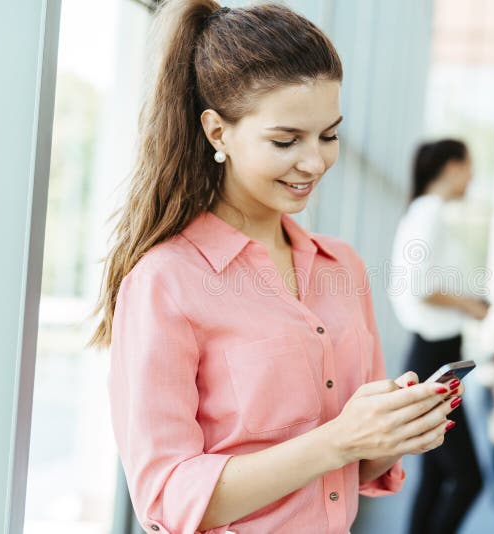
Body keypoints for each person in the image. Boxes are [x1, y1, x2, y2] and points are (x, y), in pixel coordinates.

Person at [87, 2, 464, 533]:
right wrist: (340, 439)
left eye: (328, 136)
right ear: (218, 133)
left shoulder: (343, 267)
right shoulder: (164, 282)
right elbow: (168, 497)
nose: (313, 162)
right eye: (286, 141)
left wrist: (395, 431)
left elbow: (352, 471)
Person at [388, 139, 487, 534]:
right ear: (452, 167)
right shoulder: (429, 211)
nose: (472, 176)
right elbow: (422, 287)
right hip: (433, 355)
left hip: (436, 352)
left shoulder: (427, 211)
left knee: (434, 476)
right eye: (469, 166)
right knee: (468, 478)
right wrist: (471, 306)